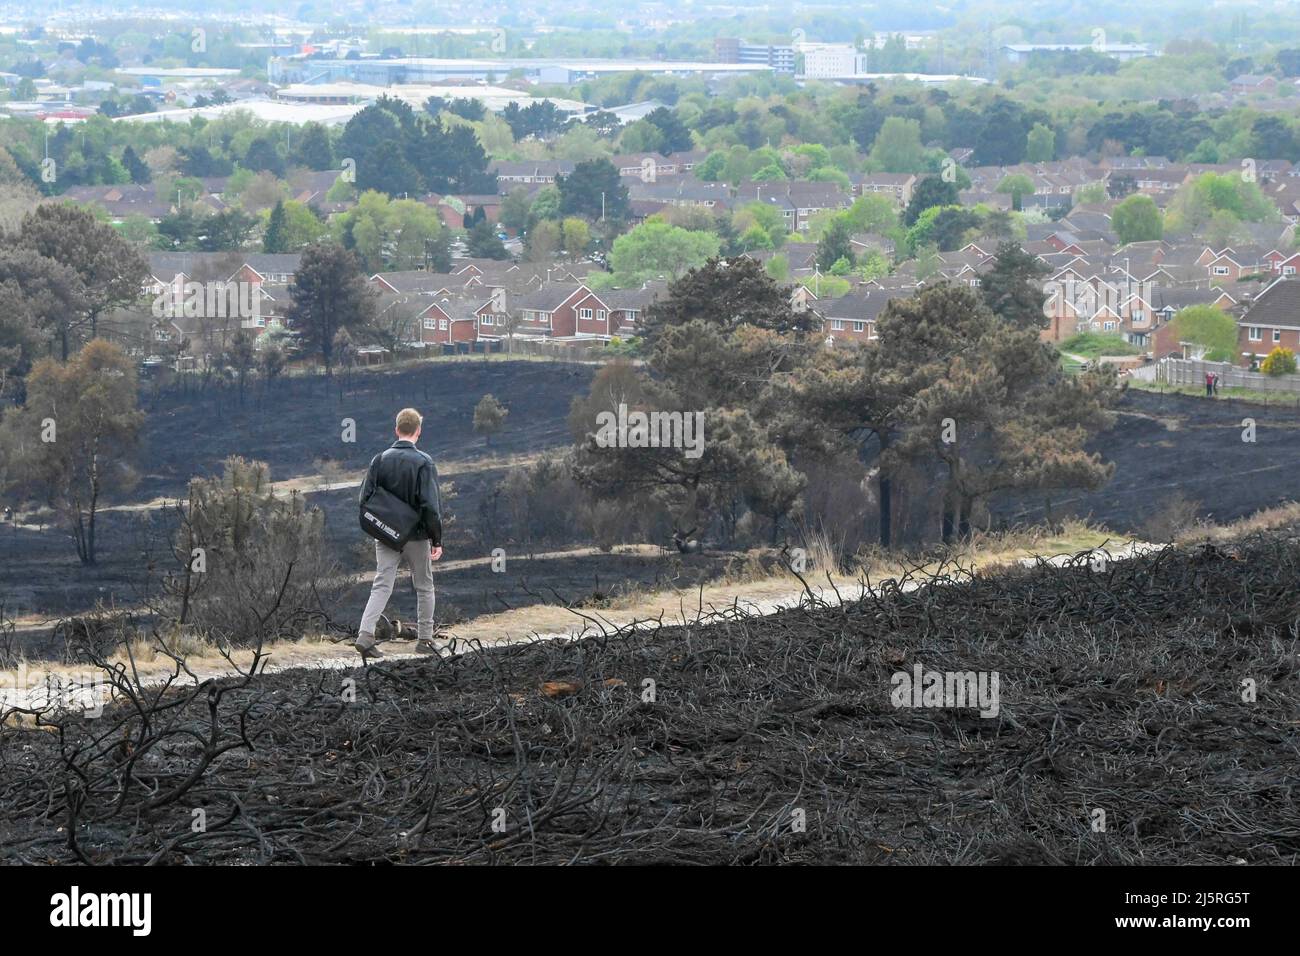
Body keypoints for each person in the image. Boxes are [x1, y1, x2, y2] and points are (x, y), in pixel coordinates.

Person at [355, 408, 443, 660]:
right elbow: (430, 506)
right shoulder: (424, 462)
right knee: (424, 586)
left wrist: (386, 522)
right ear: (418, 431)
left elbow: (365, 499)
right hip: (416, 536)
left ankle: (365, 636)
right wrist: (436, 539)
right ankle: (425, 640)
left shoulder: (379, 460)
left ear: (396, 429)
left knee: (381, 584)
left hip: (386, 535)